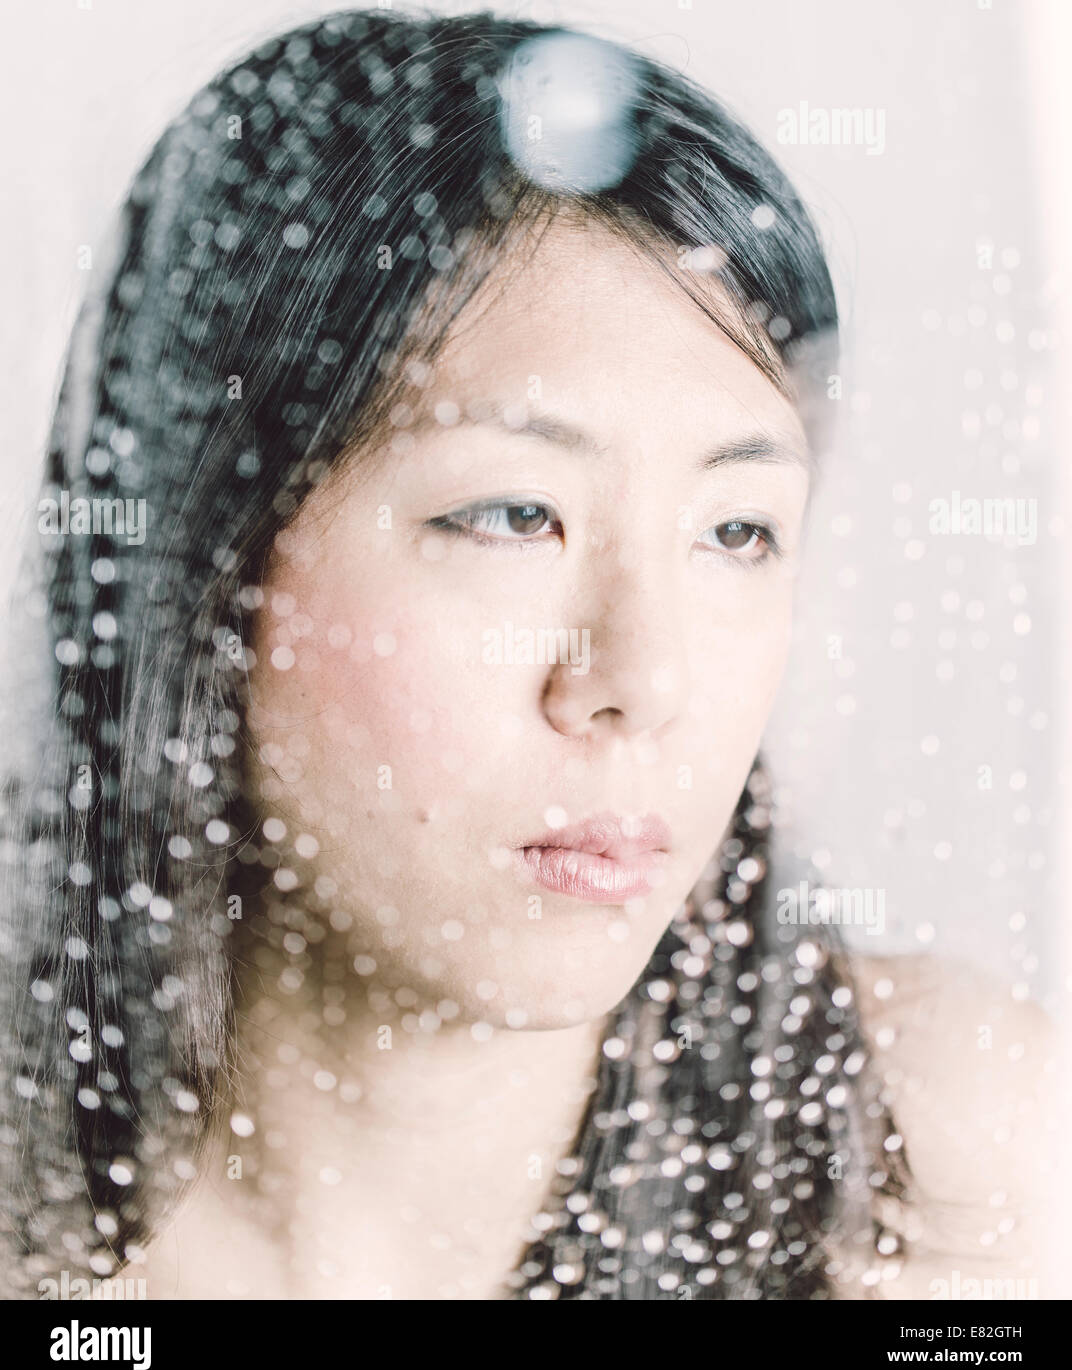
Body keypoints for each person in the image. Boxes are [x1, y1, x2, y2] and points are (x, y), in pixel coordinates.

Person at [0, 8, 1052, 1301]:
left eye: (737, 529)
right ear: (211, 568)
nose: (642, 681)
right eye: (510, 514)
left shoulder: (962, 1166)